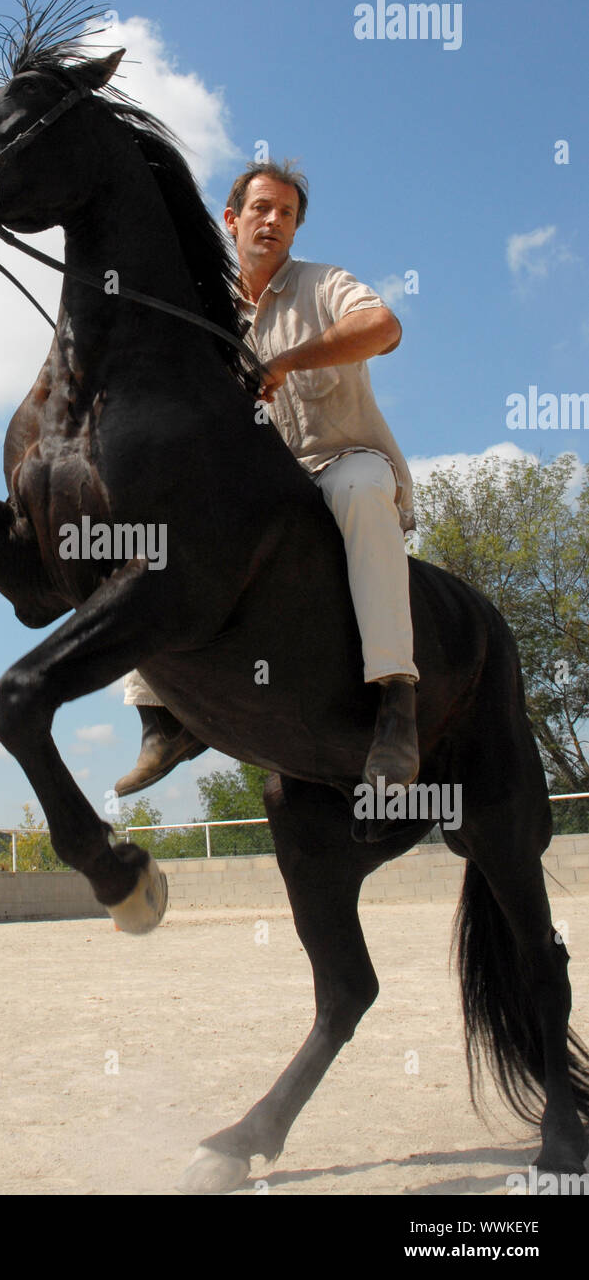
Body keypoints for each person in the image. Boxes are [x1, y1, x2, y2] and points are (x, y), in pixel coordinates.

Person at [115, 160, 419, 808]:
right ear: (231, 220)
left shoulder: (324, 282)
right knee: (149, 522)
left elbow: (384, 329)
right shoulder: (201, 307)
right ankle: (159, 720)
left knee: (362, 487)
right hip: (256, 492)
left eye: (285, 213)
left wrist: (286, 360)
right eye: (260, 209)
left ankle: (396, 701)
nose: (273, 221)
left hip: (340, 464)